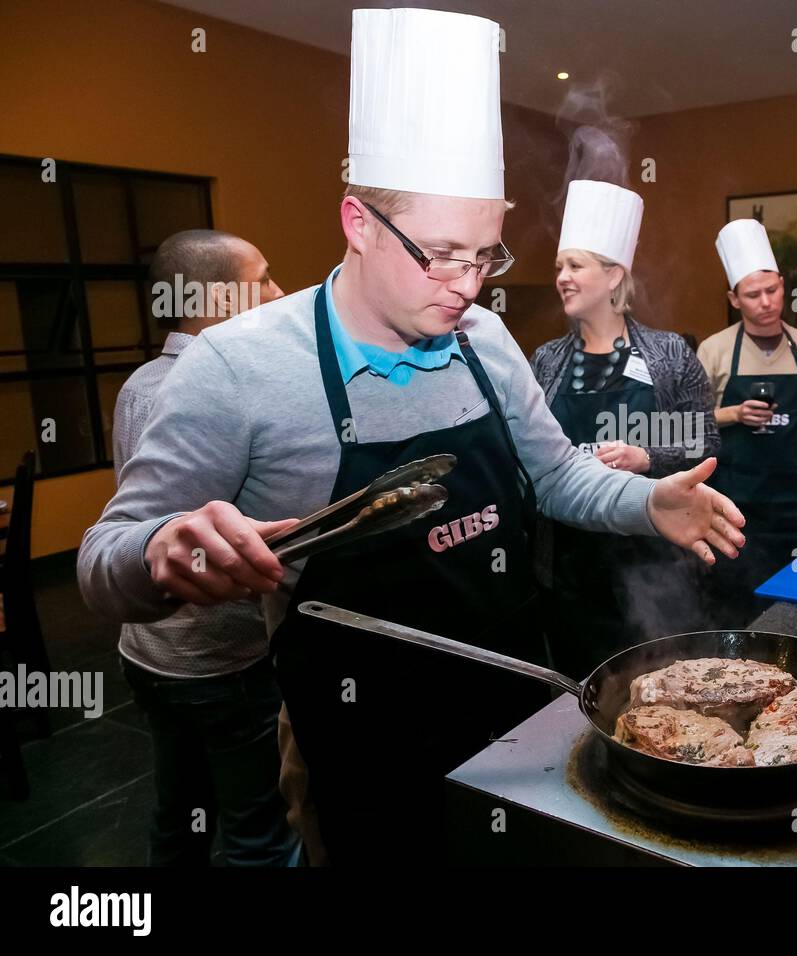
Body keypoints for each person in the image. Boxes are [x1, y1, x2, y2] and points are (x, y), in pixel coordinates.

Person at [78, 7, 744, 866]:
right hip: (361, 750)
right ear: (357, 223)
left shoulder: (486, 342)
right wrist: (161, 550)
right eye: (440, 254)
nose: (467, 286)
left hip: (515, 721)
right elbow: (103, 562)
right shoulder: (237, 370)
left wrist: (648, 499)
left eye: (486, 255)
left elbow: (555, 478)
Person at [113, 229, 292, 866]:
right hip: (225, 657)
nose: (278, 292)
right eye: (265, 277)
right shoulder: (227, 386)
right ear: (220, 296)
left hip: (150, 653)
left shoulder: (138, 383)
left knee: (178, 813)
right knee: (258, 831)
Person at [530, 180, 719, 674]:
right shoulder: (546, 361)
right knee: (578, 693)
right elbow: (530, 459)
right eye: (559, 268)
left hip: (652, 564)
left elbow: (706, 439)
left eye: (575, 265)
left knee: (659, 689)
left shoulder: (669, 354)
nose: (562, 278)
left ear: (614, 275)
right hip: (571, 571)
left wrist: (648, 458)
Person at [696, 219, 797, 625]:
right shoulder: (715, 350)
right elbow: (688, 426)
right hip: (735, 509)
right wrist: (734, 414)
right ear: (734, 298)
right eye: (753, 294)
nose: (766, 301)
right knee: (735, 610)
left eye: (773, 290)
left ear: (783, 285)